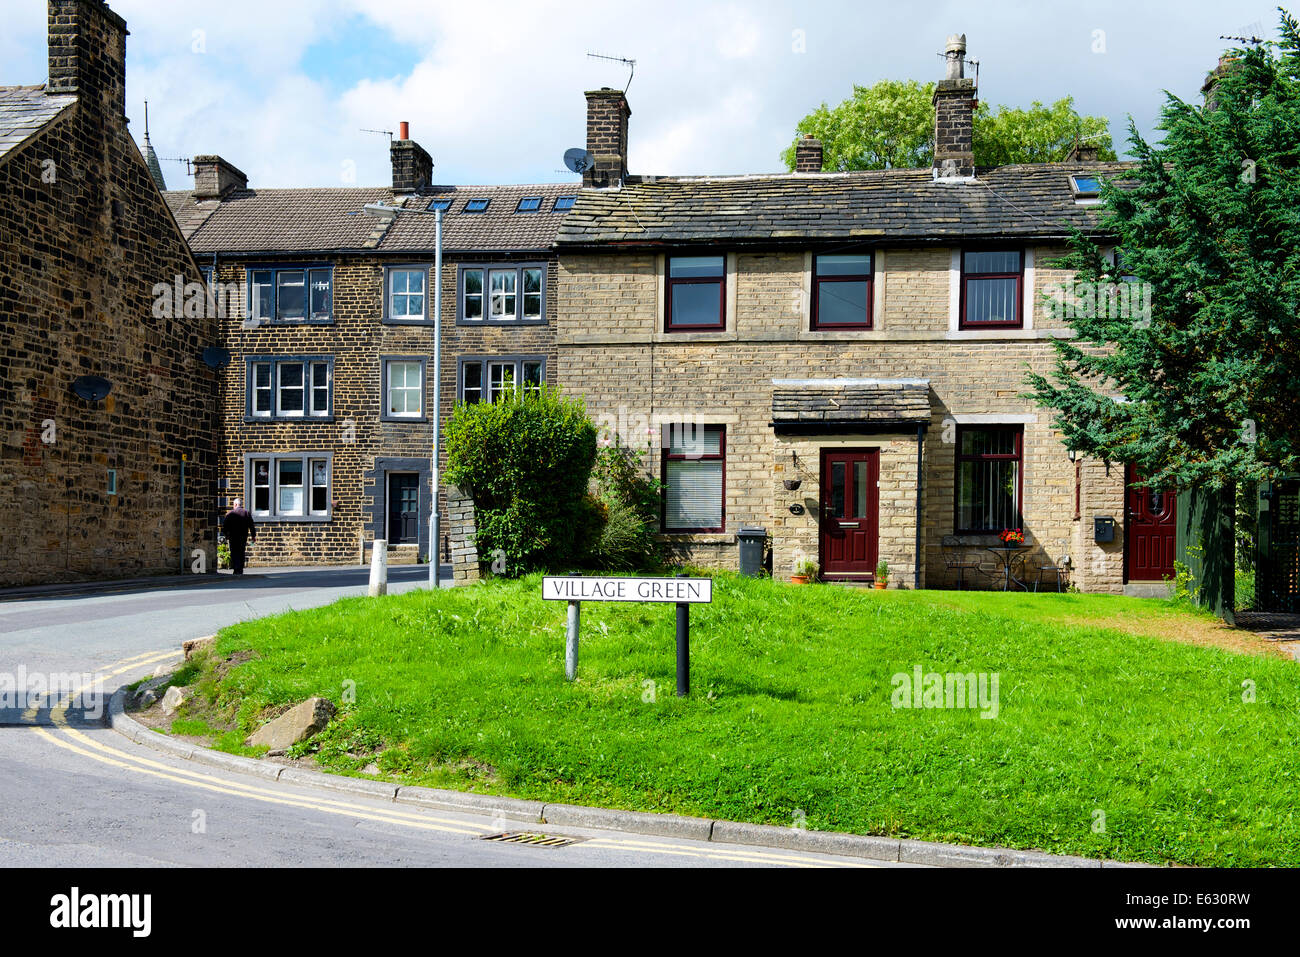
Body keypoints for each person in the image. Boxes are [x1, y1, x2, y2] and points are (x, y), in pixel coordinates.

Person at [221, 499, 256, 575]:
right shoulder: (246, 513)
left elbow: (224, 527)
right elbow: (252, 526)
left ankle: (236, 568)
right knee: (241, 552)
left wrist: (226, 535)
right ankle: (240, 568)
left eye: (233, 505)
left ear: (236, 505)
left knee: (234, 552)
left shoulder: (230, 514)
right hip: (243, 537)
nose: (233, 506)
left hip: (233, 537)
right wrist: (253, 536)